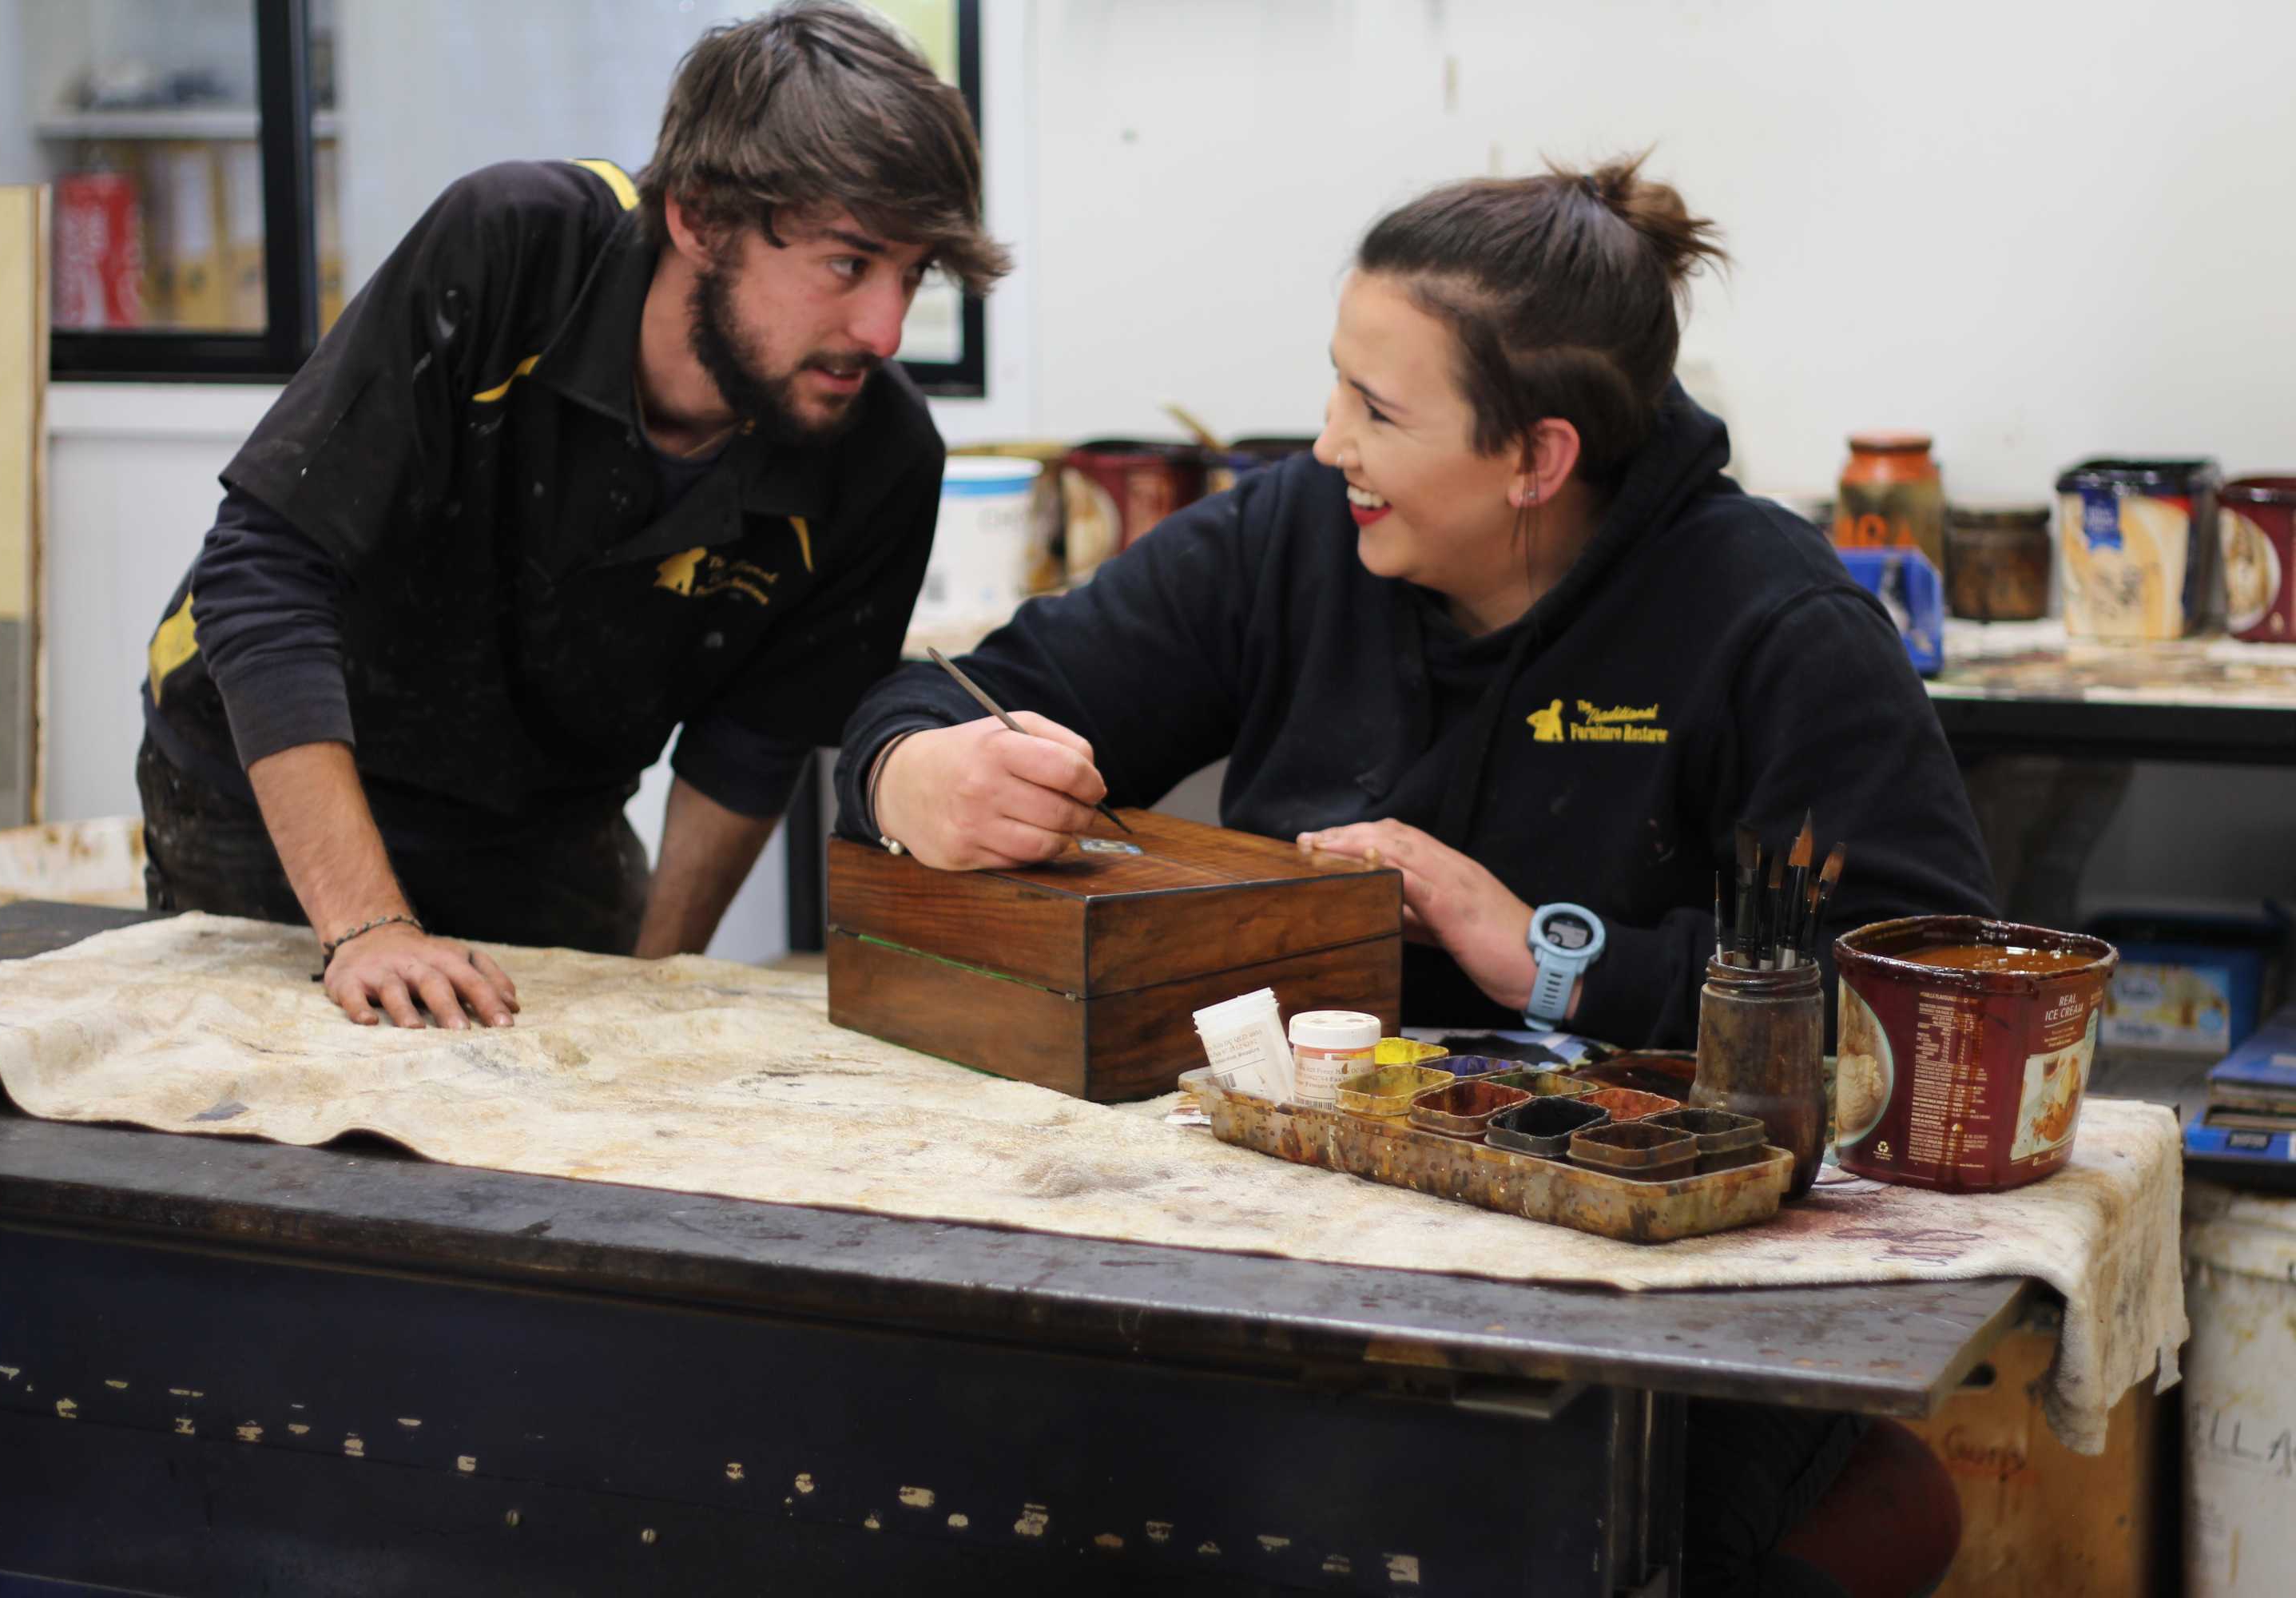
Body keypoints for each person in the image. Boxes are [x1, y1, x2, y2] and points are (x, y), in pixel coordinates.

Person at [835, 157, 1989, 1595]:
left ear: (1537, 460)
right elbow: (959, 695)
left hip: (1628, 1286)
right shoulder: (1292, 541)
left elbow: (1925, 1007)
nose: (1329, 447)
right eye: (1335, 389)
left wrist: (1548, 957)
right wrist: (908, 777)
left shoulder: (1775, 623)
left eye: (1378, 412)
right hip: (1282, 1247)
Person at [139, 2, 1007, 1032]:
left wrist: (655, 986)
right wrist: (367, 925)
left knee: (585, 1106)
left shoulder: (882, 456)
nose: (887, 328)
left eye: (913, 276)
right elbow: (264, 576)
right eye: (849, 264)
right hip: (271, 788)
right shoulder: (512, 250)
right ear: (697, 215)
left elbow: (751, 747)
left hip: (546, 822)